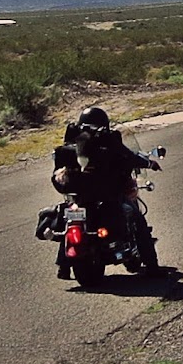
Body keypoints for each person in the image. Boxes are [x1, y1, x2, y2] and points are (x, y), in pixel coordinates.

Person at [52, 105, 161, 277]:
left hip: (80, 197)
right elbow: (128, 157)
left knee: (72, 217)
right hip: (107, 195)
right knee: (138, 220)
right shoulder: (108, 141)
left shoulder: (70, 145)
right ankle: (152, 267)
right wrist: (149, 163)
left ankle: (63, 266)